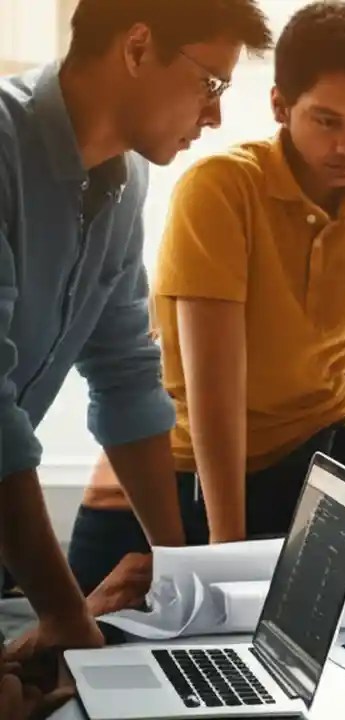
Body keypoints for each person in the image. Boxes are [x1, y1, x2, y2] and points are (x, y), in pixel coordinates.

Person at [67, 0, 345, 594]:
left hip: (308, 464)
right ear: (280, 105)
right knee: (85, 663)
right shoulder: (220, 189)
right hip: (185, 474)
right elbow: (212, 392)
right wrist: (229, 552)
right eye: (328, 121)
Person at [0, 0, 271, 659]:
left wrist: (182, 579)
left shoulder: (127, 178)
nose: (215, 116)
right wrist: (67, 615)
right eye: (212, 84)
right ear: (137, 47)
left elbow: (126, 374)